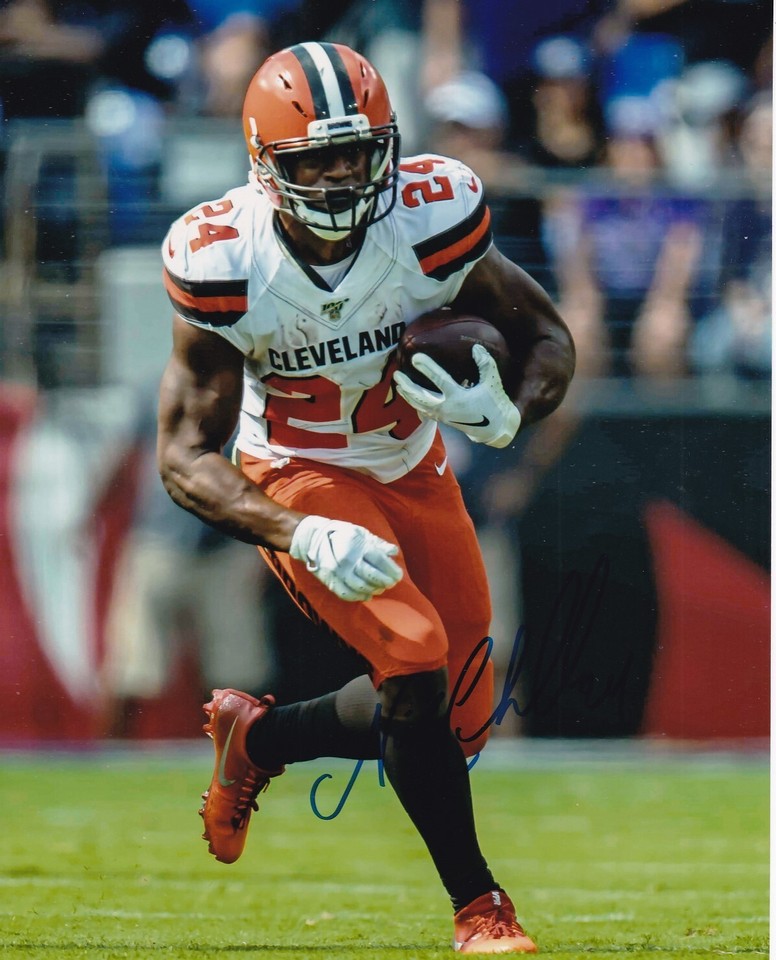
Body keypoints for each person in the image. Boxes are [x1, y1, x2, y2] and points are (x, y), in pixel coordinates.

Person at [157, 41, 574, 954]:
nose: (344, 178)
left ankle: (258, 742)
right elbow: (185, 456)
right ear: (269, 167)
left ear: (388, 143)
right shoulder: (226, 256)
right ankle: (480, 907)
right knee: (415, 654)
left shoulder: (431, 216)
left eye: (358, 152)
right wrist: (300, 534)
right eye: (318, 159)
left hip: (413, 469)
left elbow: (545, 336)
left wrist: (509, 412)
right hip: (297, 473)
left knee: (458, 721)